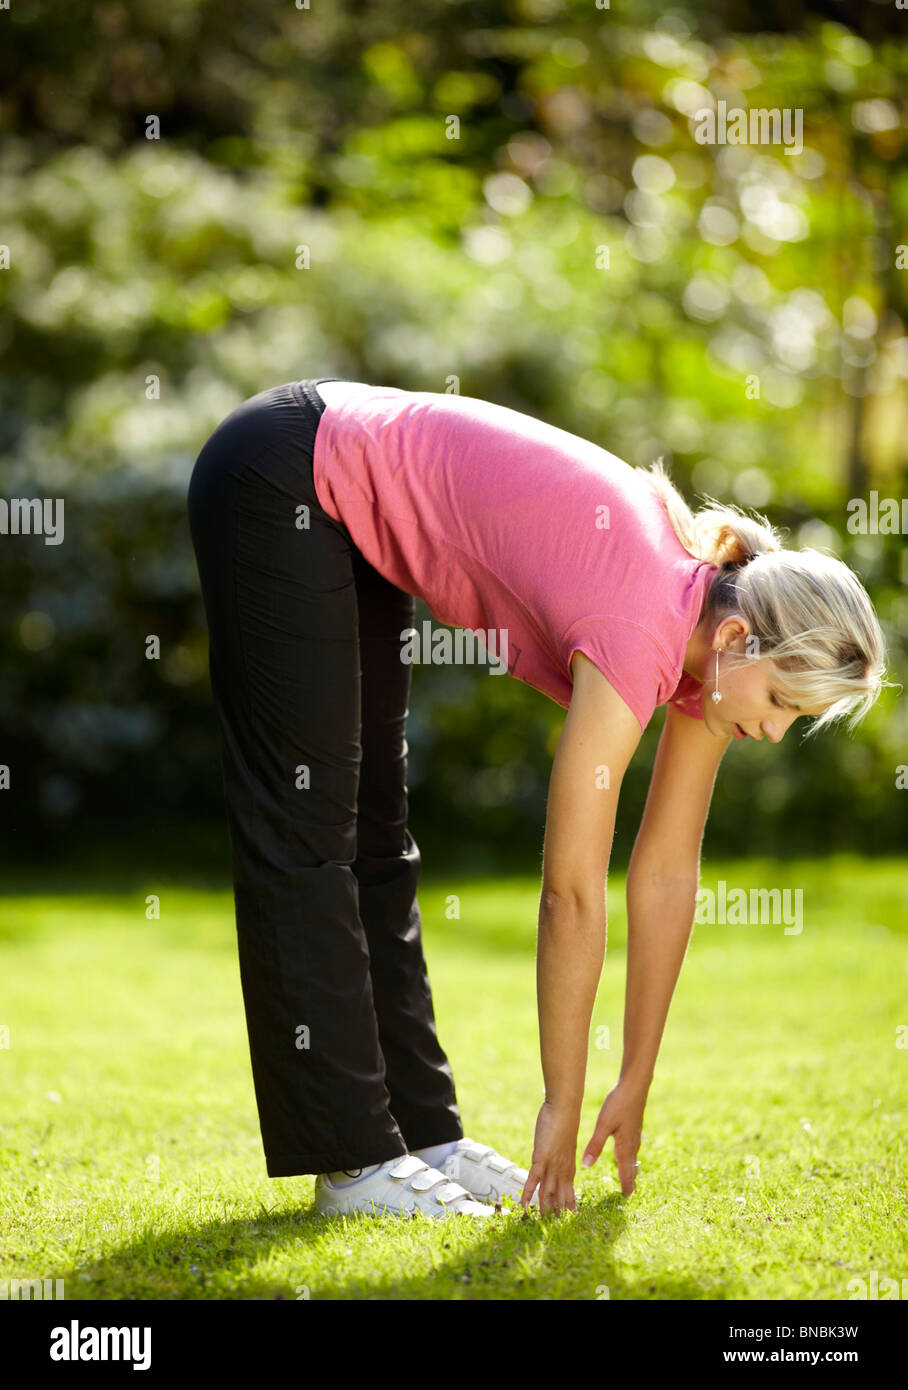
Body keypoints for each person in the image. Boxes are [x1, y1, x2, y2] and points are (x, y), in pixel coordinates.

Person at [186, 376, 890, 1220]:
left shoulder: (711, 648)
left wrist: (634, 1078)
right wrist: (563, 1100)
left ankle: (421, 1132)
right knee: (309, 828)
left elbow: (666, 873)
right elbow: (571, 892)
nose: (774, 732)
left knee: (375, 831)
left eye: (794, 719)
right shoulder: (641, 626)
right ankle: (351, 1159)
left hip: (334, 489)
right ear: (740, 637)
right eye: (780, 702)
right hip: (282, 471)